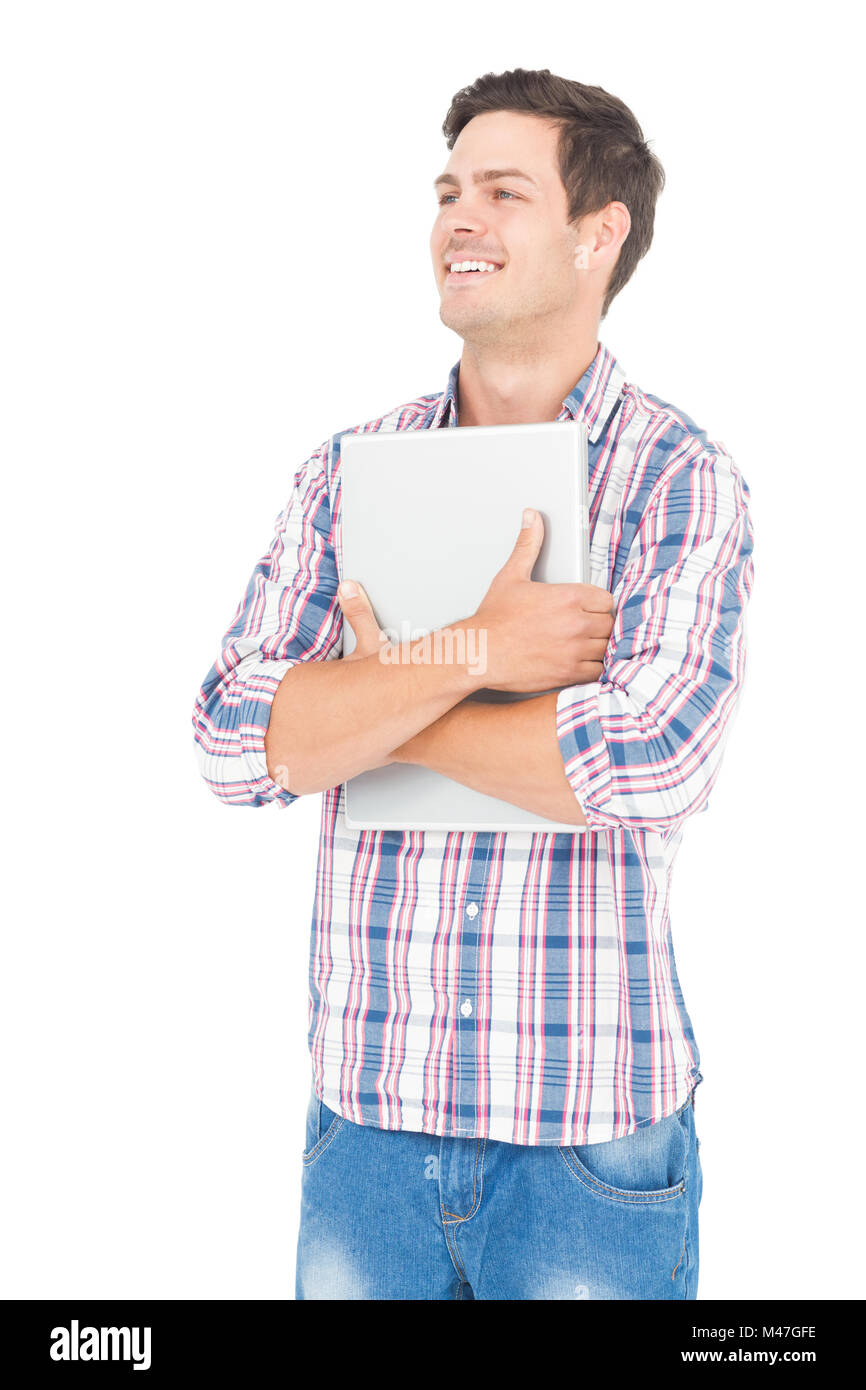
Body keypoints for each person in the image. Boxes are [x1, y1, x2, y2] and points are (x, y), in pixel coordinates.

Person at [191, 67, 755, 1301]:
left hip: (585, 1142)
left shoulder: (676, 477)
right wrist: (479, 654)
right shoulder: (347, 469)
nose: (459, 216)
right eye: (449, 188)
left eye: (503, 191)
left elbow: (643, 761)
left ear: (596, 234)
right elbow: (236, 740)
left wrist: (368, 703)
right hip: (365, 1126)